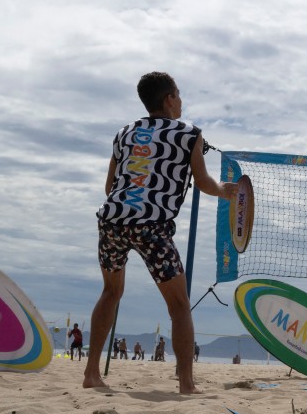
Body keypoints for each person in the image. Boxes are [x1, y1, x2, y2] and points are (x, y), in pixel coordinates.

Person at [83, 72, 237, 394]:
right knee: (179, 304)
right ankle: (186, 384)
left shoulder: (124, 133)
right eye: (178, 95)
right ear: (169, 99)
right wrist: (225, 191)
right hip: (151, 225)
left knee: (110, 292)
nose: (181, 101)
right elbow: (203, 182)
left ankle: (92, 373)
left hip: (111, 220)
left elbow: (110, 186)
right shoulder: (189, 133)